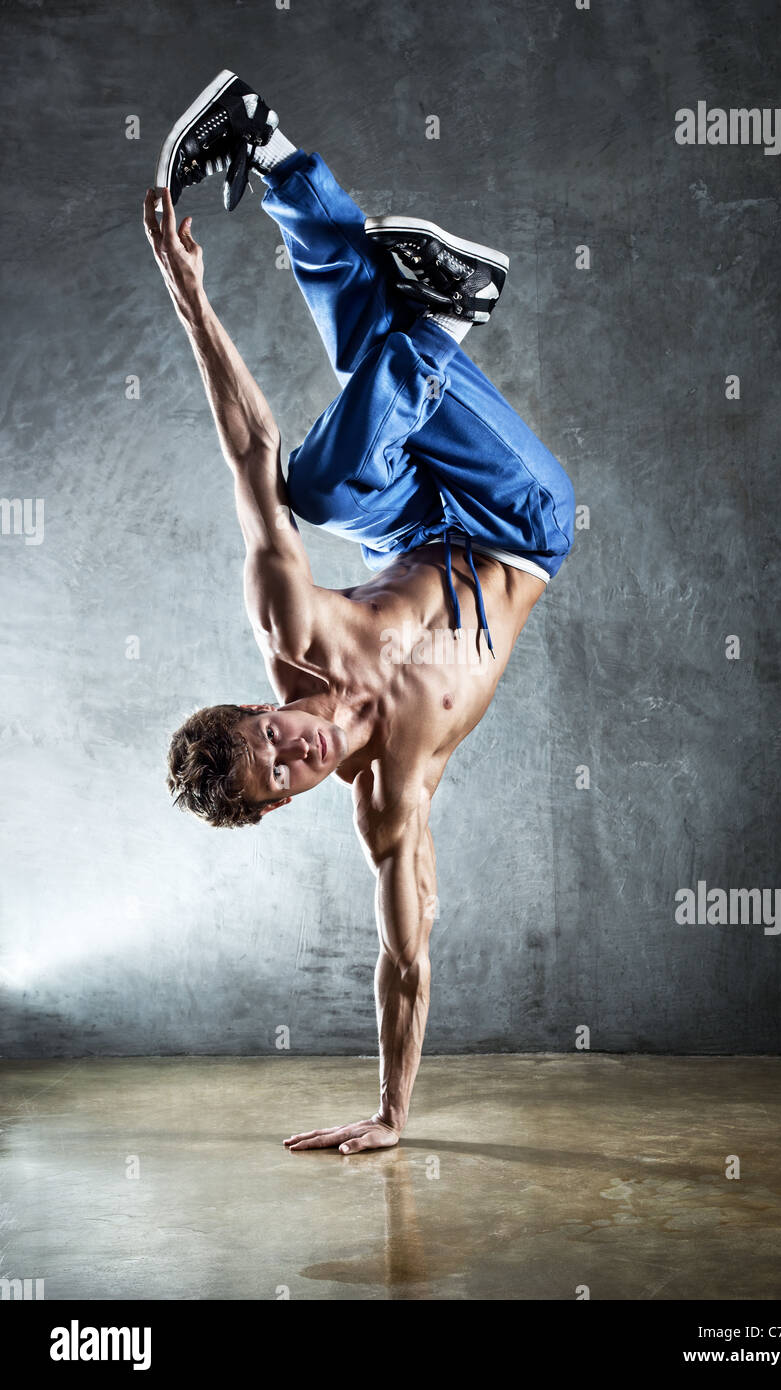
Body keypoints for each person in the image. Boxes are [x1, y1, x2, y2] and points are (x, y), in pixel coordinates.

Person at [144, 71, 574, 1154]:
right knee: (387, 362)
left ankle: (273, 153)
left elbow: (247, 452)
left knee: (317, 484)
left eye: (271, 740)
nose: (295, 753)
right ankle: (435, 330)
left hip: (418, 519)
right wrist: (393, 1112)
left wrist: (194, 301)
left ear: (261, 703)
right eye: (283, 777)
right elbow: (405, 962)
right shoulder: (392, 796)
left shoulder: (298, 633)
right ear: (289, 801)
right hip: (518, 519)